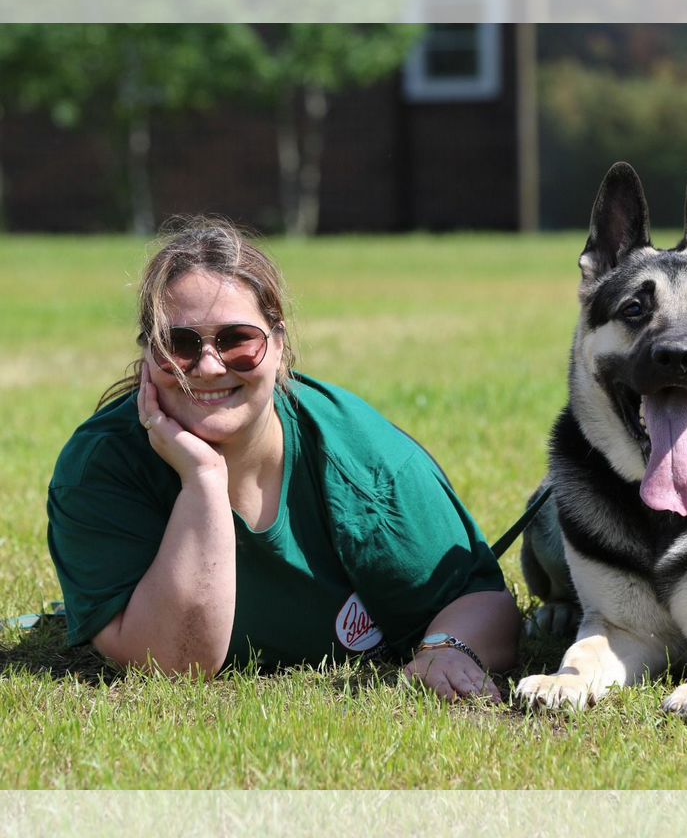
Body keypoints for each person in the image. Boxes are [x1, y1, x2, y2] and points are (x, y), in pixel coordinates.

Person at [46, 218, 520, 701]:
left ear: (278, 346)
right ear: (148, 355)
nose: (209, 366)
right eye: (180, 345)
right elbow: (174, 666)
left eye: (237, 340)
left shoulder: (368, 467)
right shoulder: (98, 471)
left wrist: (447, 648)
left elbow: (482, 599)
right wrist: (204, 480)